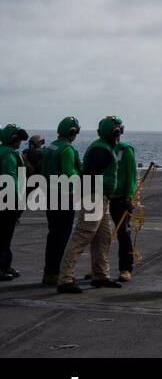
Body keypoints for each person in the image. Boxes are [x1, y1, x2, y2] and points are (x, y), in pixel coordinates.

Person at [58, 116, 127, 292]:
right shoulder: (101, 151)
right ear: (115, 132)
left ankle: (101, 275)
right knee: (82, 237)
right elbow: (89, 175)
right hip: (95, 198)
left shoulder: (103, 148)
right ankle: (65, 278)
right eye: (119, 131)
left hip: (101, 198)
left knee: (103, 238)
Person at [42, 117, 82, 286]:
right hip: (64, 197)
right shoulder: (66, 149)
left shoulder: (50, 147)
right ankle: (57, 273)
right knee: (62, 237)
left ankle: (49, 273)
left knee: (53, 236)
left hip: (49, 195)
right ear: (72, 132)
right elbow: (68, 175)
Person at [106, 126, 139, 282]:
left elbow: (132, 175)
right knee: (99, 235)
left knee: (123, 233)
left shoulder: (126, 150)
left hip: (121, 198)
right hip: (105, 197)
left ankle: (126, 268)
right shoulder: (102, 149)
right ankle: (98, 267)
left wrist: (129, 197)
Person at [0, 125, 29, 281]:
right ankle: (1, 268)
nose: (20, 143)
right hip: (7, 200)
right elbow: (10, 178)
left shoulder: (2, 151)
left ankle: (5, 265)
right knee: (5, 235)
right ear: (14, 139)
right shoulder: (9, 155)